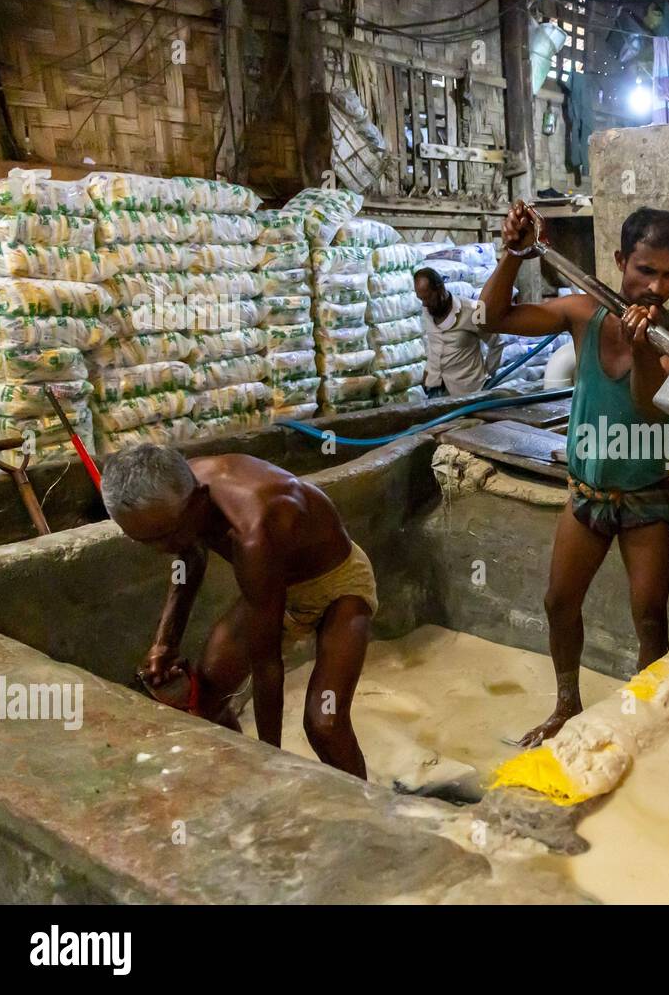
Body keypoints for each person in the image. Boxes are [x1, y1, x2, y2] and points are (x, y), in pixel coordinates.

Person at [478, 201, 669, 747]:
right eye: (646, 270)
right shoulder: (581, 313)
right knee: (558, 602)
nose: (656, 287)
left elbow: (650, 407)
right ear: (621, 260)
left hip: (645, 498)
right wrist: (514, 254)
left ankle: (646, 721)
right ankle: (567, 705)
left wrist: (646, 349)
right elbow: (494, 317)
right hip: (586, 493)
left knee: (648, 615)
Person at [100, 446, 377, 779]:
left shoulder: (254, 530)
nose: (163, 548)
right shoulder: (175, 489)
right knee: (206, 697)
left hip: (338, 587)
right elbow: (189, 556)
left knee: (324, 722)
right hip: (273, 589)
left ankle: (368, 811)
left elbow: (267, 665)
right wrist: (165, 642)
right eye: (147, 541)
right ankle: (240, 778)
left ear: (200, 499)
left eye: (167, 535)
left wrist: (271, 759)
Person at [416, 267, 504, 398]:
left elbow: (497, 343)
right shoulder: (427, 311)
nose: (425, 303)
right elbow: (434, 345)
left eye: (428, 298)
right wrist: (428, 373)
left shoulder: (473, 310)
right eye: (421, 299)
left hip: (469, 391)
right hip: (437, 389)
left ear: (440, 288)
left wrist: (487, 373)